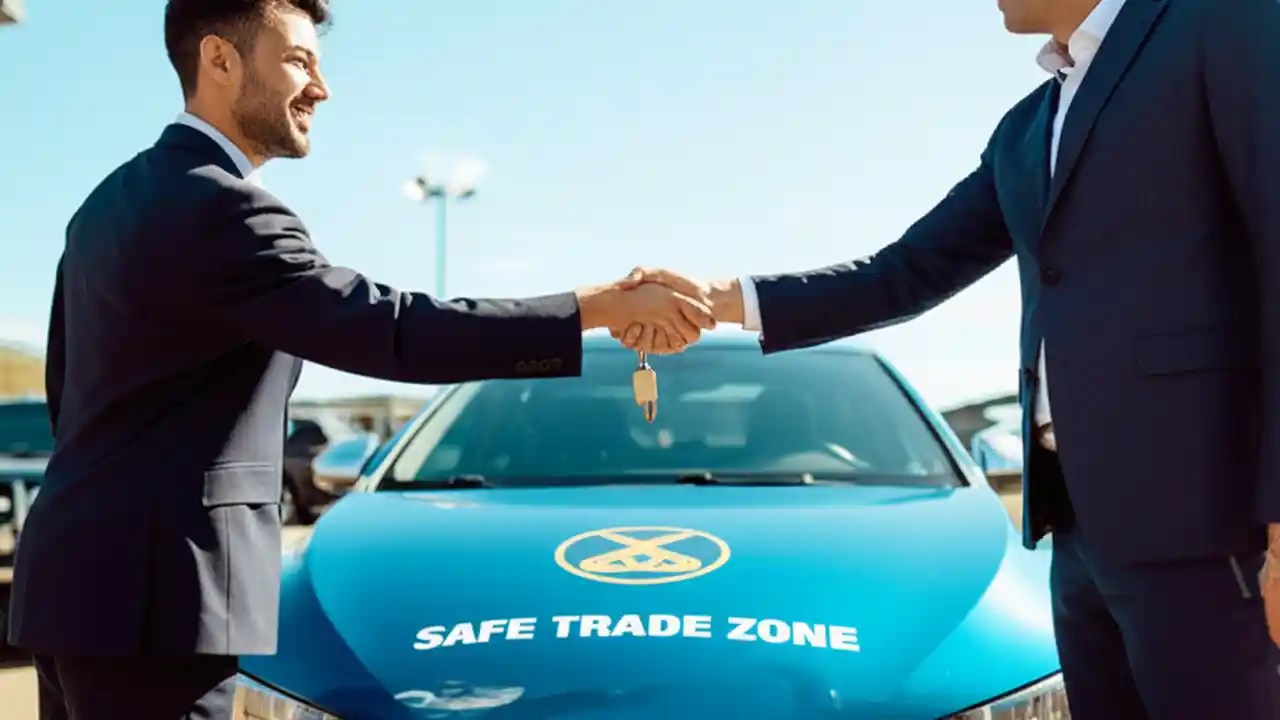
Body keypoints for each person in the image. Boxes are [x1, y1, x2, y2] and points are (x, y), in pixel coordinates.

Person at [6, 1, 714, 718]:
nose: (322, 86)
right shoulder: (224, 211)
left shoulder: (105, 204)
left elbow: (70, 398)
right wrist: (595, 309)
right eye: (298, 60)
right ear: (219, 60)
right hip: (160, 609)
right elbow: (393, 330)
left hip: (71, 593)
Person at [622, 0, 1280, 716]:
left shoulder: (1221, 23)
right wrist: (716, 299)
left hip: (1208, 527)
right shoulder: (1028, 126)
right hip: (1079, 530)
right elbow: (903, 273)